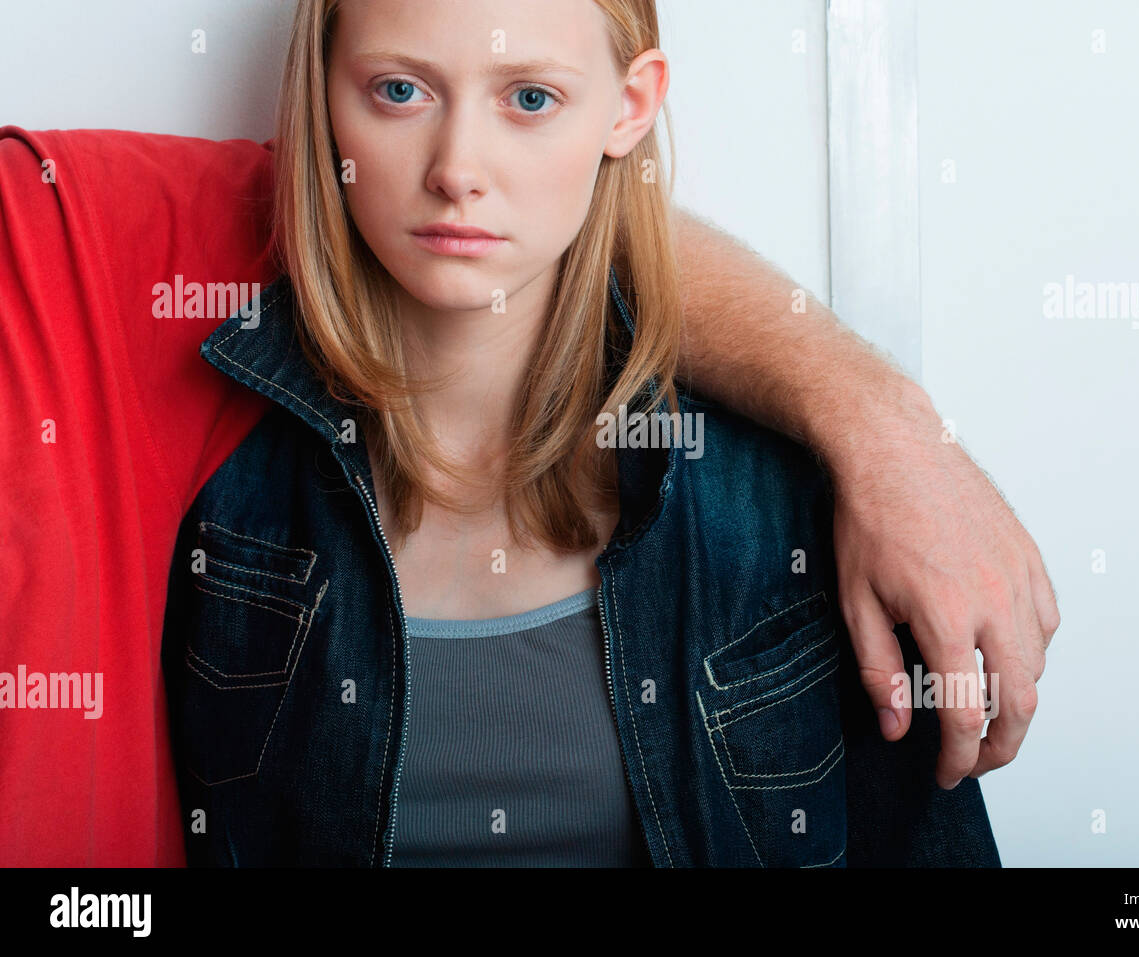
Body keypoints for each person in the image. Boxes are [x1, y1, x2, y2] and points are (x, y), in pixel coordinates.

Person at [0, 2, 1057, 867]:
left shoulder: (777, 503)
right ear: (323, 96)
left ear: (631, 107)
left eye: (530, 99)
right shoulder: (233, 495)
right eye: (398, 91)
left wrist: (889, 427)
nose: (457, 166)